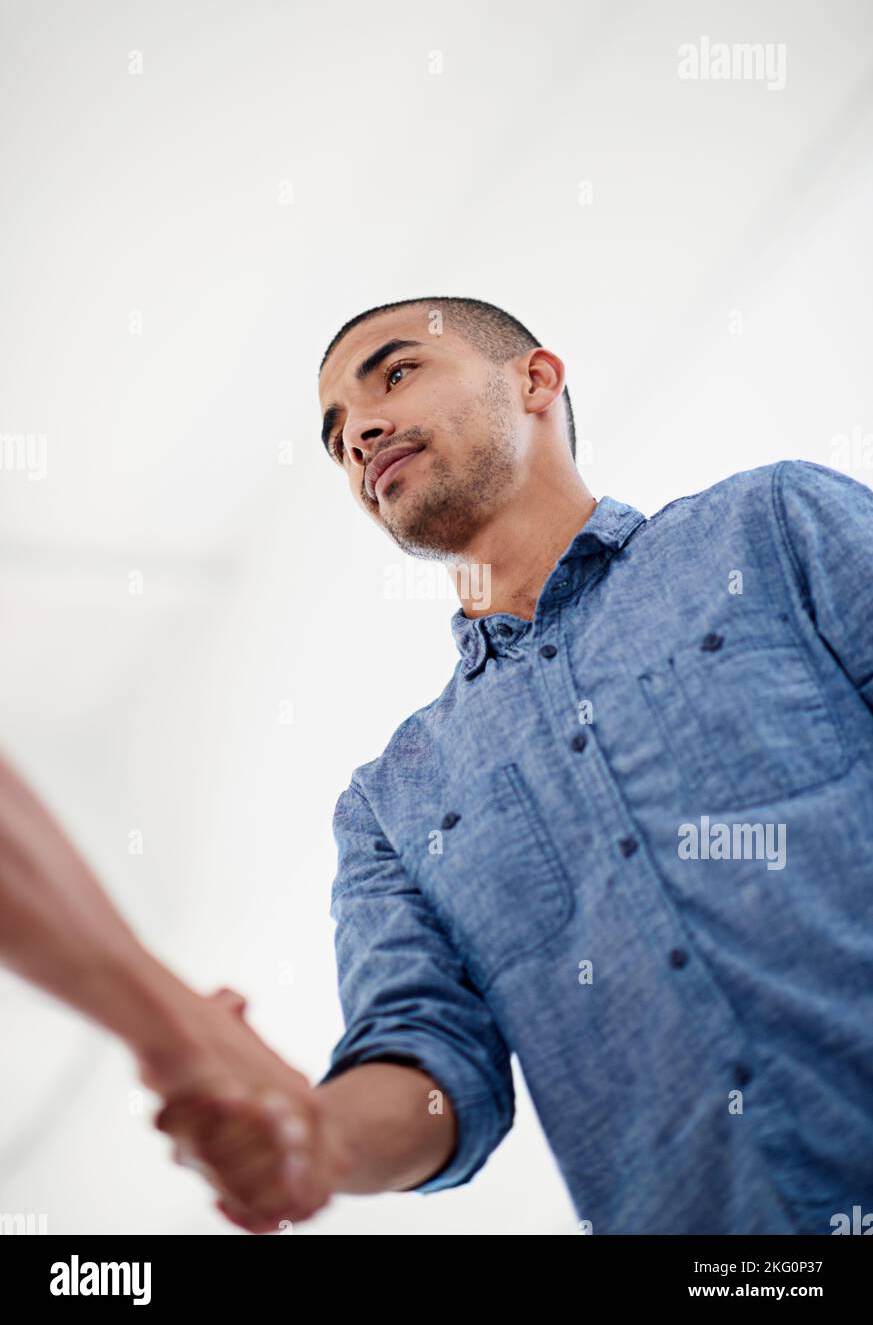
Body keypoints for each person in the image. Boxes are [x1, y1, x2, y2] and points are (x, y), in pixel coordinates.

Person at [6, 294, 873, 1233]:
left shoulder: (771, 528)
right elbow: (429, 1066)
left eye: (396, 373)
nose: (361, 432)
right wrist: (318, 1138)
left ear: (535, 379)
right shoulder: (390, 803)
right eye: (337, 437)